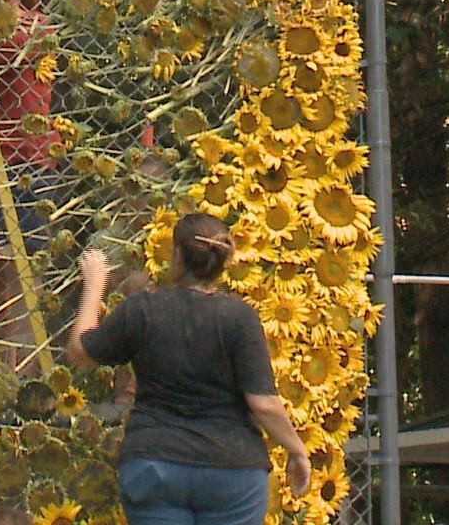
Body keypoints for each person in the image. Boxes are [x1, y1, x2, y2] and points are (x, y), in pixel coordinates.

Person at [66, 213, 311, 525]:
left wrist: (94, 286)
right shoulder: (239, 318)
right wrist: (297, 450)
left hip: (155, 463)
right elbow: (263, 403)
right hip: (231, 469)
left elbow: (80, 350)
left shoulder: (144, 309)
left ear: (177, 256)